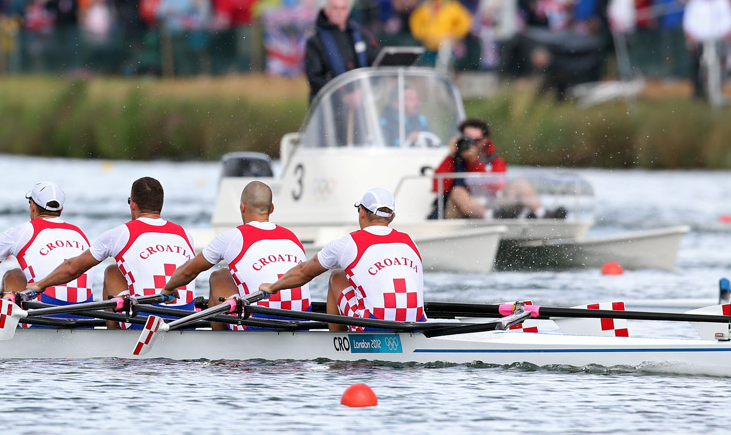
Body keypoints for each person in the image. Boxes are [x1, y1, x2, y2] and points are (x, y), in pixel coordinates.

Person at [26, 177, 195, 328]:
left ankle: (112, 339)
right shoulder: (185, 234)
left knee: (112, 271)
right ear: (161, 205)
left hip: (144, 322)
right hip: (185, 320)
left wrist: (40, 285)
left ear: (133, 204)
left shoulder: (121, 233)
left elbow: (73, 269)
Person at [260, 188, 425, 332]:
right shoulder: (410, 242)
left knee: (337, 276)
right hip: (417, 323)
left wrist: (273, 287)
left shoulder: (348, 243)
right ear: (392, 216)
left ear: (361, 212)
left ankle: (338, 346)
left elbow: (304, 273)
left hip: (373, 325)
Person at [159, 181, 310, 330]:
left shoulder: (231, 238)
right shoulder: (293, 237)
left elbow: (188, 271)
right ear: (272, 208)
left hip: (258, 324)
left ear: (242, 207)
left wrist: (168, 288)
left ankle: (220, 349)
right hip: (303, 322)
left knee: (219, 276)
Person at [0, 182, 93, 310]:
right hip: (86, 314)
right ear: (61, 209)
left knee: (13, 275)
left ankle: (8, 336)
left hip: (43, 316)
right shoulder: (80, 233)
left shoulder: (19, 232)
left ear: (33, 206)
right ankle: (110, 331)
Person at [430, 119, 561, 220]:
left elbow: (495, 186)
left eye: (476, 140)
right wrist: (451, 156)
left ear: (485, 140)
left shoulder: (494, 160)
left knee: (520, 183)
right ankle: (491, 216)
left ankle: (542, 214)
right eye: (467, 140)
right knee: (458, 192)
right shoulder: (453, 160)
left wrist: (474, 162)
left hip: (488, 202)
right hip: (462, 208)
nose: (471, 145)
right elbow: (438, 187)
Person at [304, 0, 380, 103]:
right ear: (326, 10)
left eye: (343, 8)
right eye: (335, 8)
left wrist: (362, 91)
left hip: (360, 101)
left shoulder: (359, 34)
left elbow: (373, 60)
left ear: (348, 11)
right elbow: (314, 77)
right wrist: (343, 95)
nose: (339, 12)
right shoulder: (316, 41)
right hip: (330, 103)